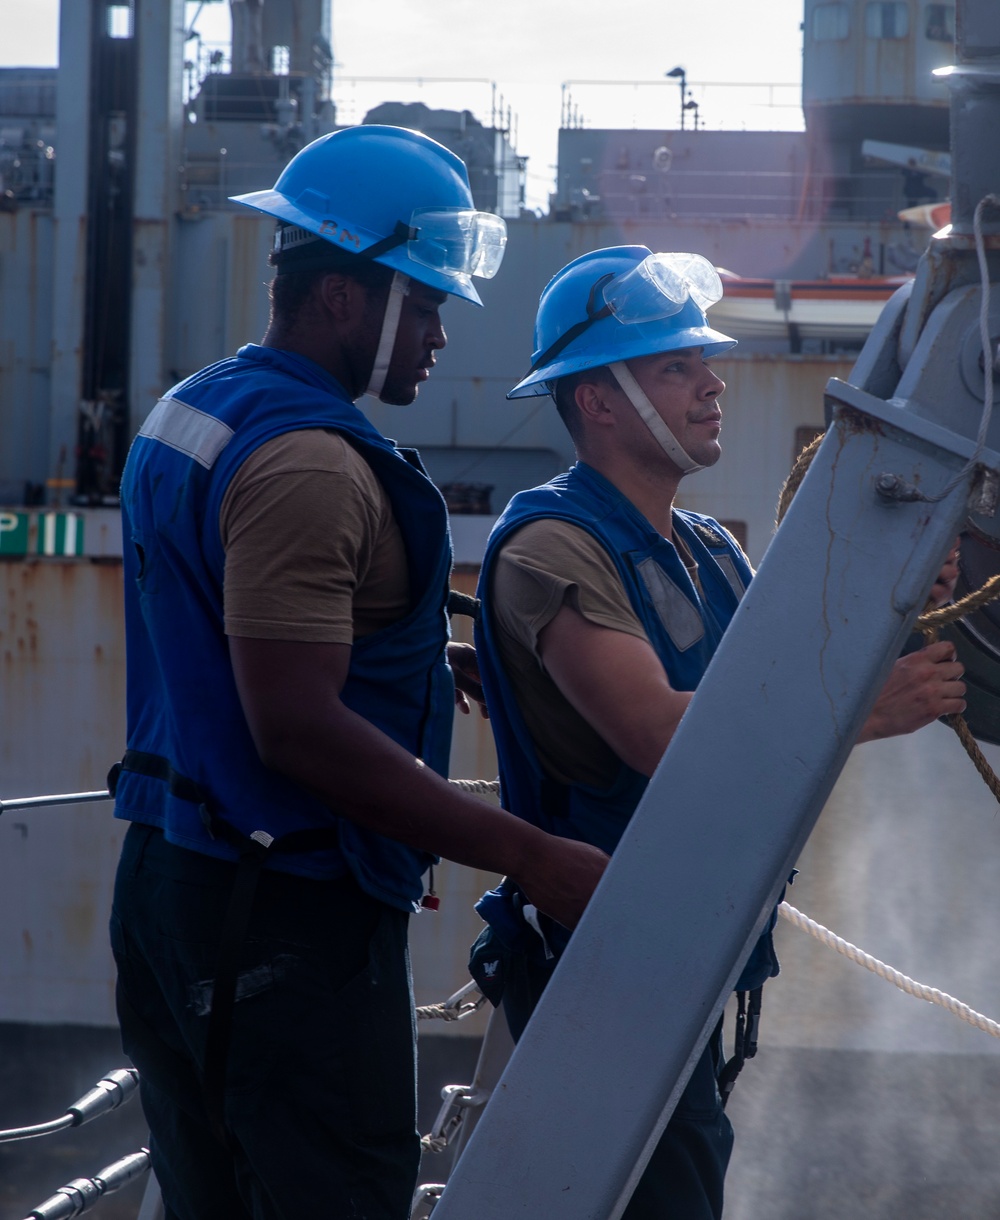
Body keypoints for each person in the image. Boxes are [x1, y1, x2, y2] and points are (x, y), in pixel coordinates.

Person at [107, 125, 606, 1220]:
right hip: (278, 919)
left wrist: (424, 664)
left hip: (167, 882)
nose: (436, 336)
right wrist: (532, 855)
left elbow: (220, 619)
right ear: (342, 297)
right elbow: (294, 726)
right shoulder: (311, 466)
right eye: (422, 306)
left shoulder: (196, 408)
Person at [469, 245, 965, 1220]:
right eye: (673, 367)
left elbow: (775, 690)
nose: (711, 382)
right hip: (606, 967)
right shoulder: (550, 548)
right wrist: (871, 707)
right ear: (598, 403)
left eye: (704, 360)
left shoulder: (707, 548)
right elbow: (660, 734)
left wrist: (894, 606)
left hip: (691, 954)